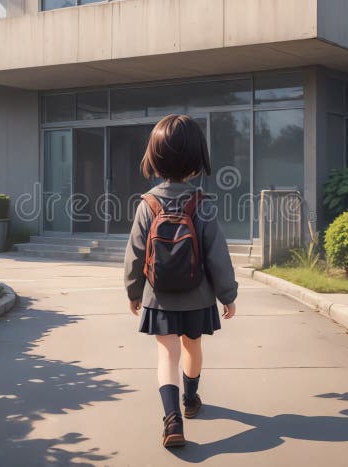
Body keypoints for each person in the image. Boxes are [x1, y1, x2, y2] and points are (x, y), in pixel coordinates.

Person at [123, 114, 238, 448]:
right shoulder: (202, 204)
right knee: (193, 346)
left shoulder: (147, 205)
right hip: (198, 297)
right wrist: (227, 294)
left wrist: (133, 292)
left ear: (154, 159)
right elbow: (218, 255)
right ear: (195, 161)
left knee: (167, 355)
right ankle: (190, 400)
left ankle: (171, 420)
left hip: (158, 298)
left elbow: (135, 253)